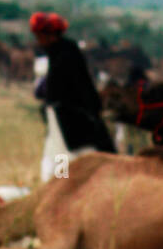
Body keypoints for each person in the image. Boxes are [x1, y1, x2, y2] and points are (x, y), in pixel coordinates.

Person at [30, 11, 116, 180]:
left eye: (39, 35)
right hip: (66, 121)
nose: (37, 40)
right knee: (61, 156)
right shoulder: (61, 53)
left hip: (70, 122)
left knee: (64, 158)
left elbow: (73, 91)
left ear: (49, 35)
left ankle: (64, 187)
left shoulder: (65, 55)